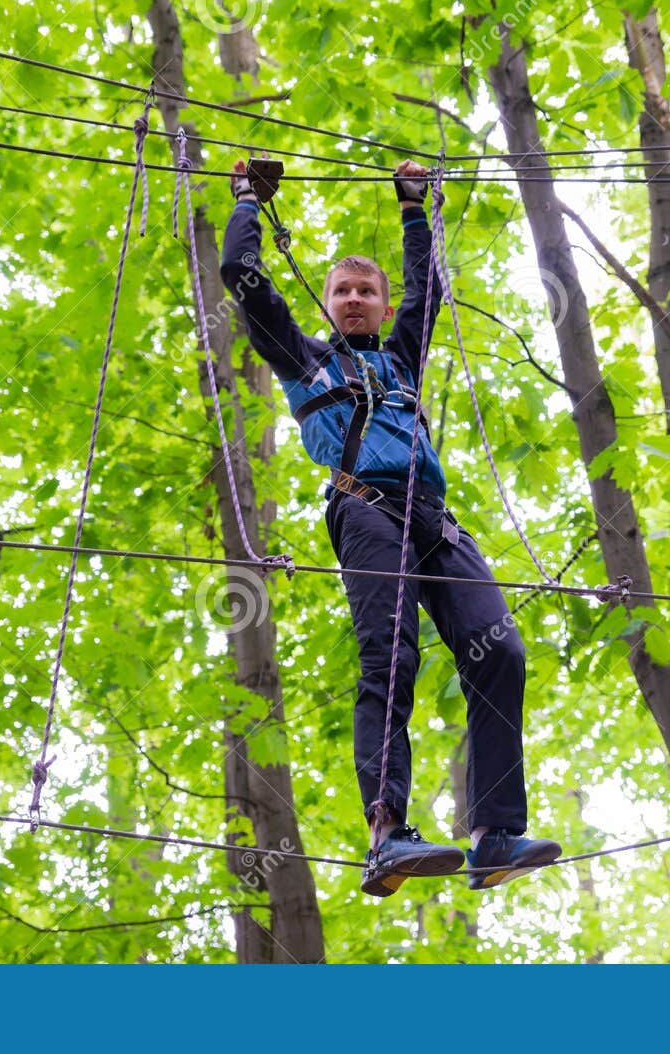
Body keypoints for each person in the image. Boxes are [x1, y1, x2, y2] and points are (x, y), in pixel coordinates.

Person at [217, 157, 561, 897]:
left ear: (378, 304)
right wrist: (247, 202)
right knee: (392, 659)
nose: (353, 299)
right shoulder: (303, 358)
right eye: (342, 290)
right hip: (366, 510)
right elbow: (239, 275)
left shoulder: (402, 359)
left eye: (366, 291)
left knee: (500, 652)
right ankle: (387, 834)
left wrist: (414, 207)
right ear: (329, 303)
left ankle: (495, 831)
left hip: (435, 520)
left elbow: (427, 290)